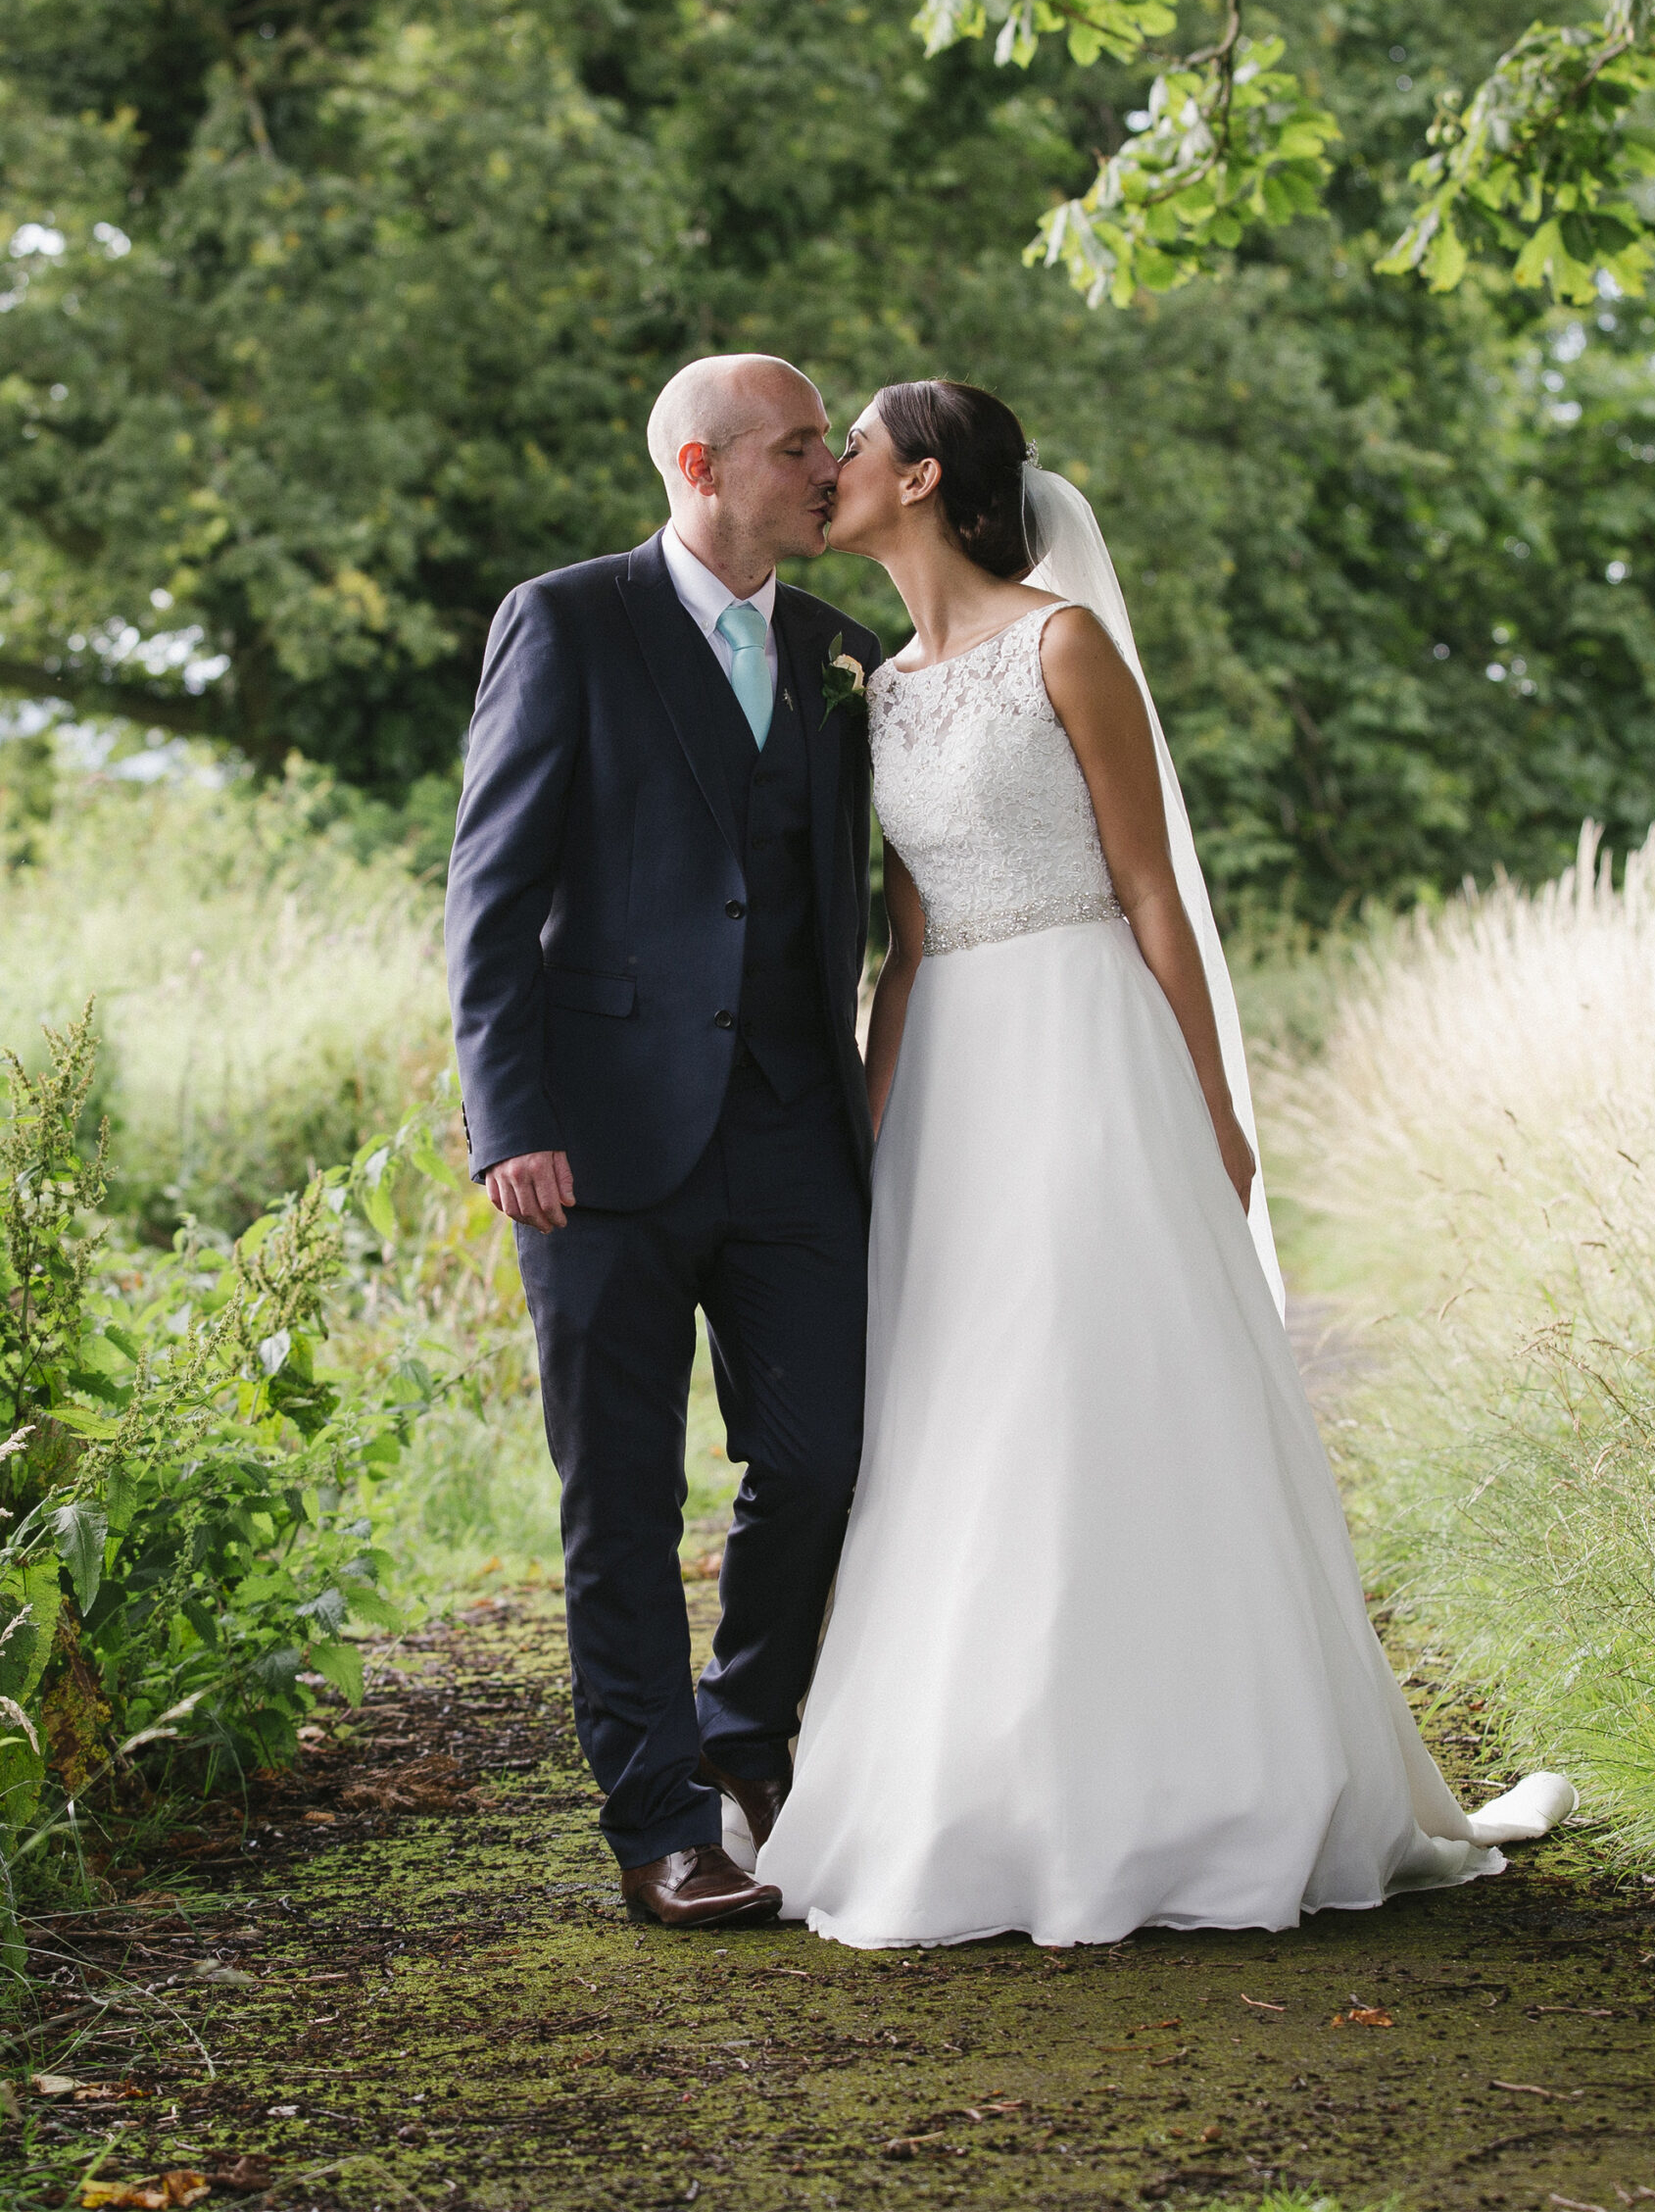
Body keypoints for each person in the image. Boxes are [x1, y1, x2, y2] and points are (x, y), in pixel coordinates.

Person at [756, 378, 1575, 1948]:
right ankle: (981, 1781)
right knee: (959, 1405)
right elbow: (909, 940)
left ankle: (1187, 1779)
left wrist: (1211, 1107)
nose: (829, 469)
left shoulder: (1063, 644)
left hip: (1087, 1045)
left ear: (921, 477)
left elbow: (1151, 894)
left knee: (1088, 1378)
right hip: (951, 1082)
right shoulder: (886, 686)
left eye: (849, 444)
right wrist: (874, 1124)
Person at [445, 353, 881, 1929]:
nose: (830, 467)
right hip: (596, 1143)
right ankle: (660, 1827)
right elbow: (489, 890)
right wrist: (511, 1120)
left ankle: (742, 1735)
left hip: (791, 1131)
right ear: (701, 466)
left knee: (826, 1455)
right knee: (619, 1497)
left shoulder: (843, 652)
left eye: (830, 443)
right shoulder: (566, 619)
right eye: (800, 446)